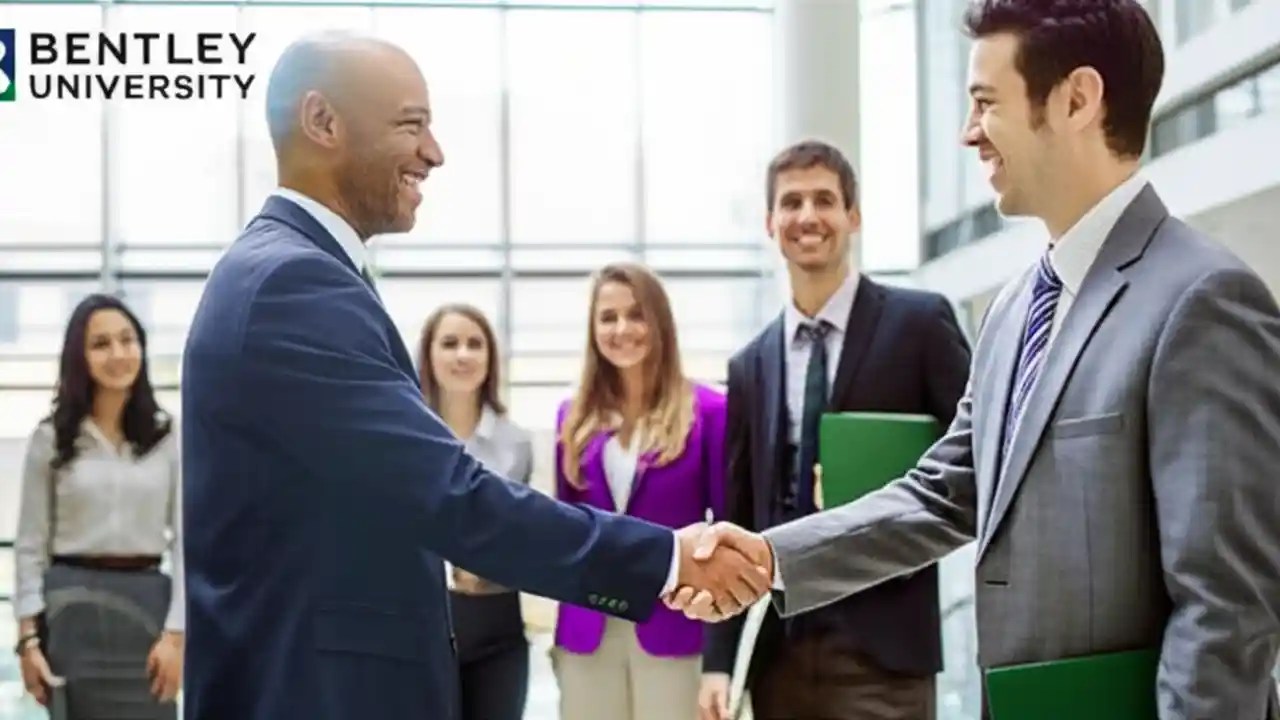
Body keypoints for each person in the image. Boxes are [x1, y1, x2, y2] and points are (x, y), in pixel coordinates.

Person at [669, 2, 1280, 718]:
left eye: (985, 104)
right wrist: (771, 558)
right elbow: (944, 492)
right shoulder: (1015, 306)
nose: (967, 134)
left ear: (1077, 100)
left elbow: (1226, 613)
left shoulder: (1203, 301)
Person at [179, 31, 768, 720]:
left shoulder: (289, 272)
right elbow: (449, 497)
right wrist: (665, 559)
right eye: (412, 125)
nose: (435, 152)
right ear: (323, 122)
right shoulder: (293, 282)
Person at [697, 140, 971, 720]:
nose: (807, 217)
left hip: (886, 647)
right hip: (781, 653)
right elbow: (739, 511)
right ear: (770, 223)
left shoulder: (920, 324)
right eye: (791, 202)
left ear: (854, 215)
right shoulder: (751, 364)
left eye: (824, 199)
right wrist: (719, 661)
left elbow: (981, 459)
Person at [552, 262, 728, 720]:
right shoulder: (571, 419)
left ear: (659, 322)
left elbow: (727, 529)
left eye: (635, 314)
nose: (621, 328)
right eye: (607, 317)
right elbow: (562, 530)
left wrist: (719, 659)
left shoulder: (710, 412)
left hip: (674, 627)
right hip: (588, 628)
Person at [13, 293, 184, 718]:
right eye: (101, 343)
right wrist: (28, 641)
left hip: (147, 609)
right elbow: (30, 546)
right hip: (70, 611)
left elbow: (186, 545)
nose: (118, 353)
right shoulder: (51, 439)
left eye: (128, 340)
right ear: (79, 357)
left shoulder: (168, 437)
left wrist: (177, 636)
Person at [418, 303, 533, 720]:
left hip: (497, 630)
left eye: (474, 344)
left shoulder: (516, 443)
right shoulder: (404, 437)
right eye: (449, 343)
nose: (462, 354)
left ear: (490, 358)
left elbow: (521, 535)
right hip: (421, 631)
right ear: (428, 356)